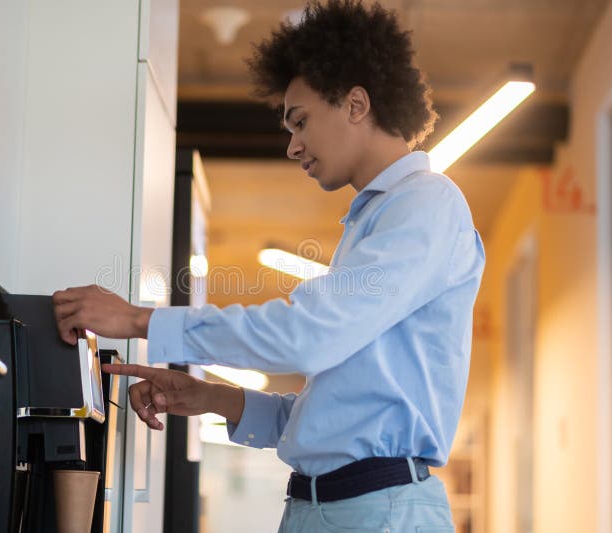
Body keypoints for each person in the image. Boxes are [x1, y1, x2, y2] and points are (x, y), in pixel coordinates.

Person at [53, 1, 485, 531]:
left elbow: (306, 335)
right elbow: (338, 422)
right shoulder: (372, 221)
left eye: (300, 121)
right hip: (331, 507)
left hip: (376, 512)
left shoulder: (425, 205)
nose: (292, 145)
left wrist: (140, 320)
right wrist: (211, 397)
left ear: (355, 104)